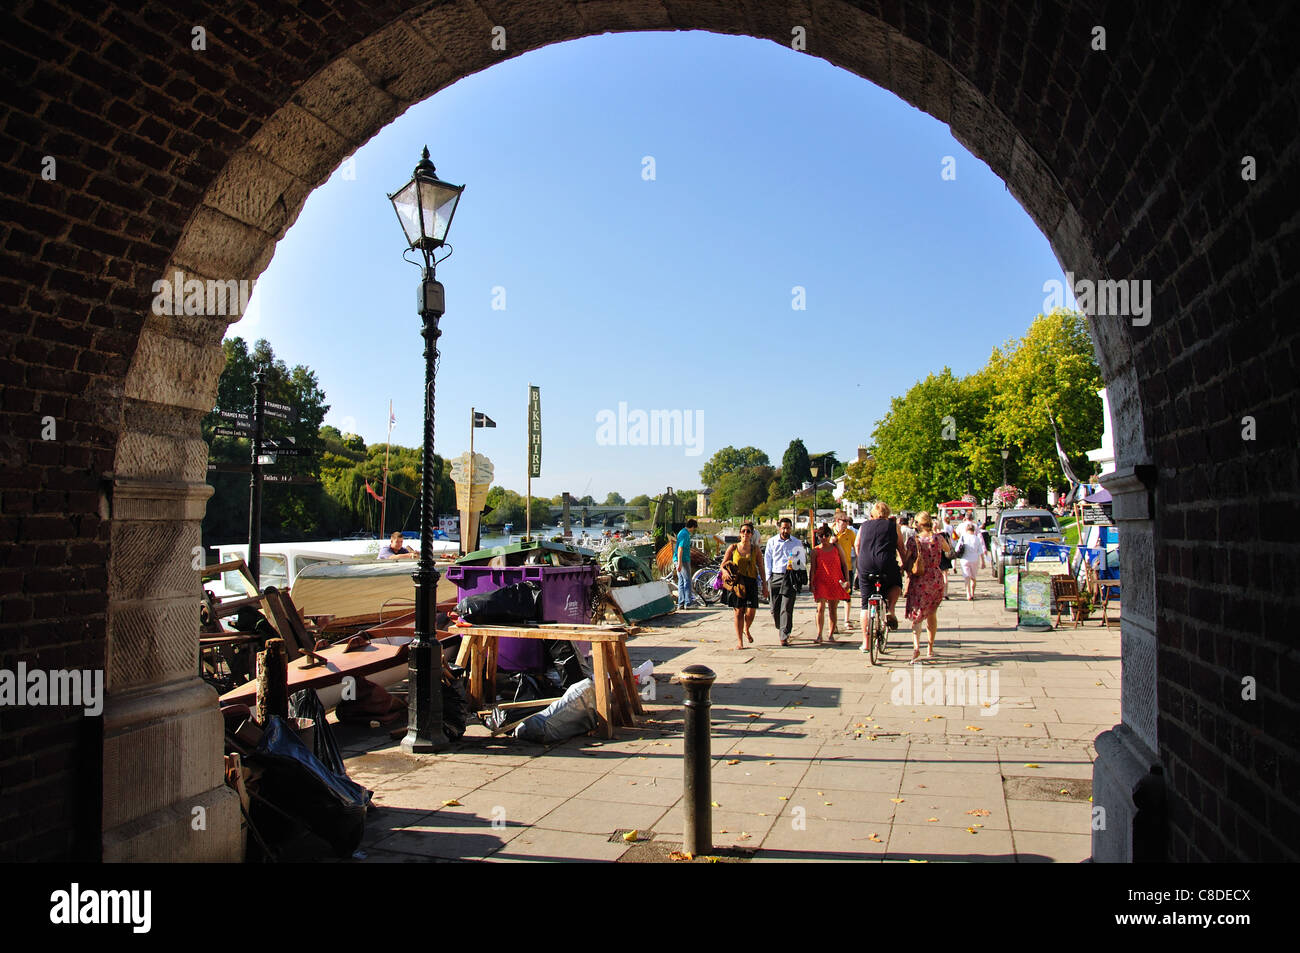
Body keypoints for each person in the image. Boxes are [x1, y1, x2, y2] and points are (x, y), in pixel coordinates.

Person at [854, 501, 907, 653]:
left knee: (865, 604)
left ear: (873, 514)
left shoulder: (864, 526)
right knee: (896, 583)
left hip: (865, 565)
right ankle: (890, 609)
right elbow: (901, 547)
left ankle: (866, 643)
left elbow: (857, 545)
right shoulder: (893, 526)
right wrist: (904, 565)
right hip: (886, 563)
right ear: (888, 513)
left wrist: (862, 559)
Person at [904, 511, 953, 663]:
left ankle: (916, 647)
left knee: (917, 614)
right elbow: (948, 550)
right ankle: (930, 648)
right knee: (932, 614)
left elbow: (907, 558)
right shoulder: (938, 538)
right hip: (935, 578)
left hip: (919, 578)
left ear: (918, 524)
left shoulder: (914, 540)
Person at [720, 521, 766, 649]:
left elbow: (761, 567)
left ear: (752, 534)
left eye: (748, 531)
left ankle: (746, 628)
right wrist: (724, 571)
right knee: (738, 611)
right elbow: (723, 564)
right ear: (740, 534)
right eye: (743, 531)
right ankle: (740, 640)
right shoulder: (733, 548)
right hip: (737, 582)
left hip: (751, 581)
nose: (746, 533)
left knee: (751, 612)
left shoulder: (755, 549)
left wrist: (765, 585)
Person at [764, 517, 806, 646]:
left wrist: (797, 574)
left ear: (791, 528)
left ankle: (784, 634)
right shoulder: (772, 542)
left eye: (787, 528)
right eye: (783, 528)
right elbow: (768, 560)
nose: (785, 530)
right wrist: (768, 578)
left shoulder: (797, 543)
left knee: (787, 607)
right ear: (779, 528)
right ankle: (780, 625)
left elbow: (801, 562)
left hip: (790, 577)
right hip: (775, 576)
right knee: (774, 608)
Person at [811, 525, 849, 643]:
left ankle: (831, 633)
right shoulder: (815, 551)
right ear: (818, 537)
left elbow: (844, 565)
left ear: (830, 536)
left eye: (826, 535)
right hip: (821, 581)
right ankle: (819, 634)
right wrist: (811, 583)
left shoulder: (836, 548)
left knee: (833, 609)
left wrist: (847, 580)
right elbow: (813, 568)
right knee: (820, 607)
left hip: (835, 580)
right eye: (821, 536)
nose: (824, 538)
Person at [832, 510, 857, 630]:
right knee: (834, 597)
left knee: (847, 595)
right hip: (833, 568)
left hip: (847, 567)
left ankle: (847, 620)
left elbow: (856, 547)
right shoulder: (830, 533)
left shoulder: (850, 533)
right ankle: (834, 622)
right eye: (845, 521)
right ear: (837, 521)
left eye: (848, 521)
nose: (847, 523)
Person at [955, 519, 986, 600]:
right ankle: (973, 593)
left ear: (966, 529)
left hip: (964, 559)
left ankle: (968, 594)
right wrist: (983, 562)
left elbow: (957, 548)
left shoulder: (963, 537)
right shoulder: (977, 538)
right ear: (974, 530)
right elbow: (980, 551)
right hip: (974, 559)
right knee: (973, 577)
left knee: (966, 577)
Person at [674, 518, 699, 610]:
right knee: (687, 580)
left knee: (681, 581)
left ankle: (681, 603)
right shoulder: (685, 534)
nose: (693, 530)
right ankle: (688, 603)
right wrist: (680, 563)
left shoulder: (681, 532)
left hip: (677, 559)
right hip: (683, 560)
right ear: (692, 526)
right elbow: (680, 548)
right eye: (694, 528)